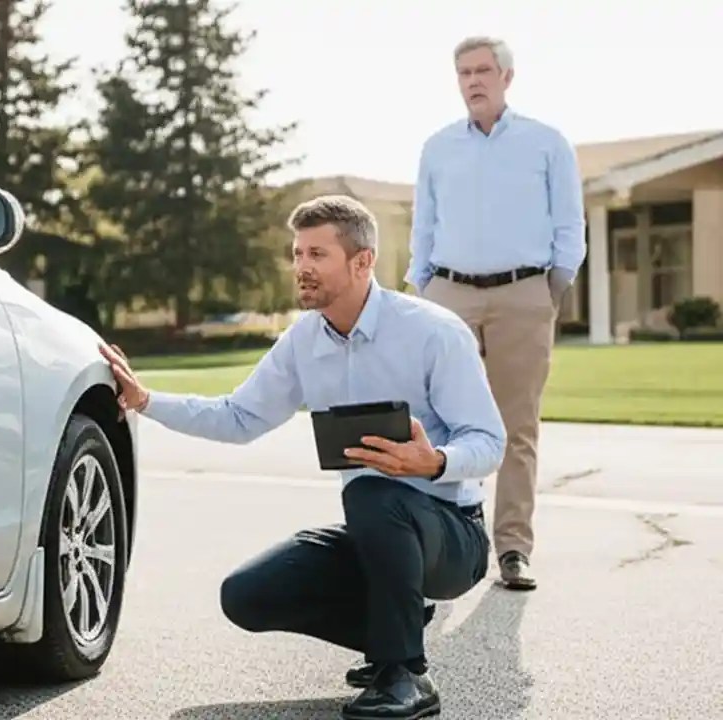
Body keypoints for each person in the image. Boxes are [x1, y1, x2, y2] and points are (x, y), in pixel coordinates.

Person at [101, 195, 506, 720]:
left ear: (362, 262)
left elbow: (489, 441)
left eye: (318, 254)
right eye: (297, 254)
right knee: (247, 594)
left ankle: (404, 671)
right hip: (378, 536)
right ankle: (397, 623)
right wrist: (147, 401)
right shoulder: (302, 341)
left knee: (370, 490)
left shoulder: (432, 332)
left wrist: (431, 462)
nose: (302, 267)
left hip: (454, 535)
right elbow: (238, 417)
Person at [406, 35, 586, 591]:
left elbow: (569, 229)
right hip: (448, 297)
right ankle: (432, 548)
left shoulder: (546, 143)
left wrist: (545, 292)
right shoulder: (437, 148)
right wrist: (422, 289)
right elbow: (424, 229)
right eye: (464, 72)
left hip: (522, 296)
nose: (473, 81)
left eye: (483, 70)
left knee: (515, 428)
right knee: (433, 423)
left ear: (507, 77)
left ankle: (512, 548)